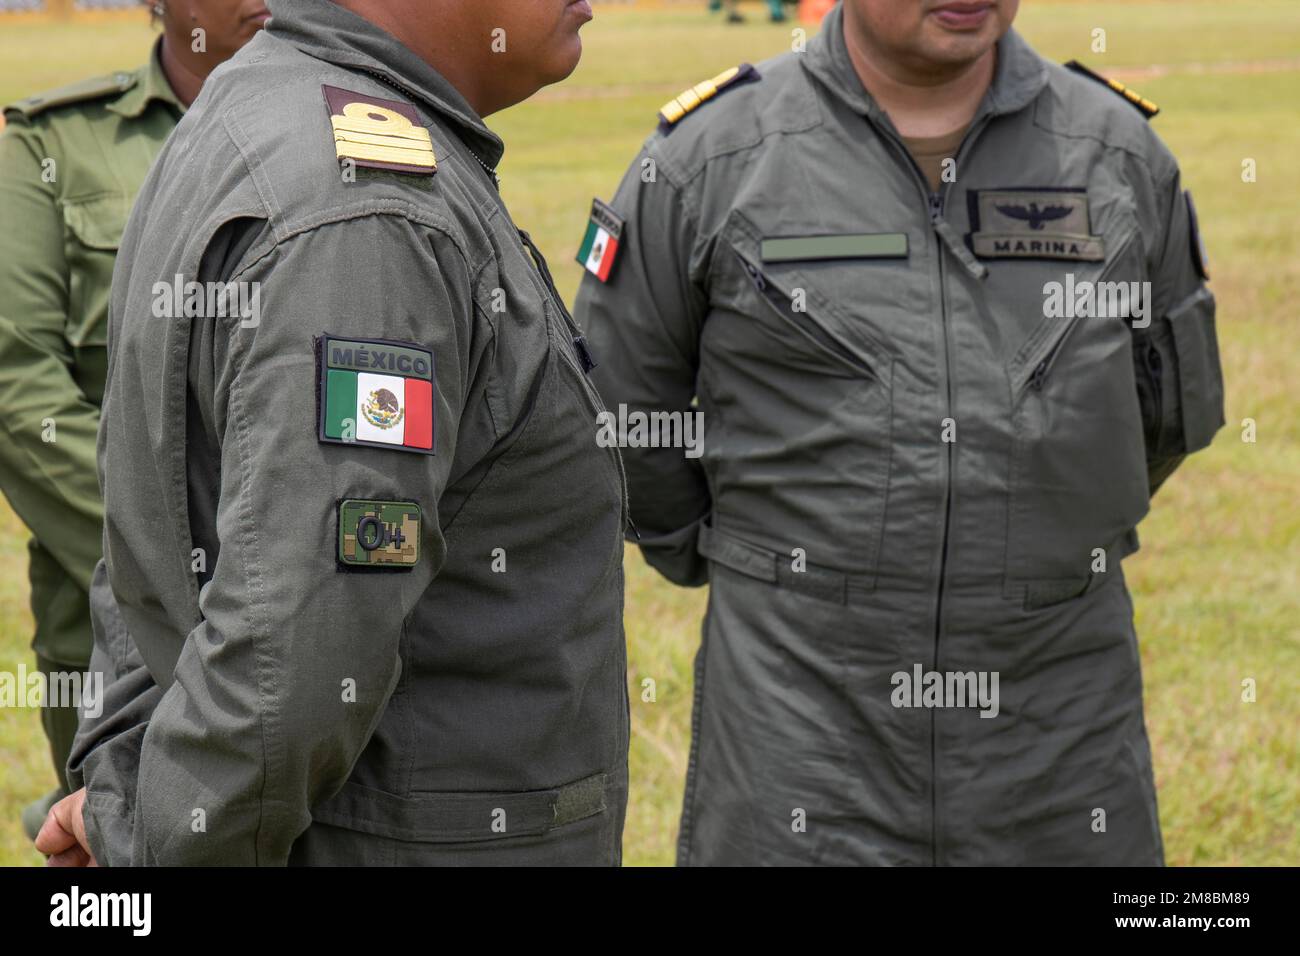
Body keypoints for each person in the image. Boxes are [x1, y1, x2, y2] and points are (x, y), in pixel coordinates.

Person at [574, 0, 1223, 865]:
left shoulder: (1118, 156)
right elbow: (626, 416)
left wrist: (1035, 535)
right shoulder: (711, 158)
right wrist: (772, 571)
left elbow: (1166, 414)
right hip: (799, 741)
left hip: (1060, 739)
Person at [36, 0, 628, 867]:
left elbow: (156, 545)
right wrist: (147, 830)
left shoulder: (249, 110)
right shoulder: (370, 218)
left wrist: (126, 782)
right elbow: (293, 656)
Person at [0, 0, 267, 842]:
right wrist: (168, 564)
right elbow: (18, 386)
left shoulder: (353, 132)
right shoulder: (50, 146)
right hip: (117, 634)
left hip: (310, 617)